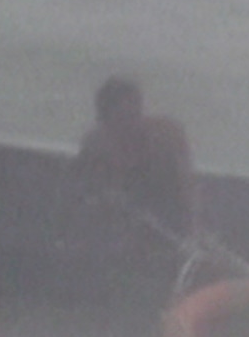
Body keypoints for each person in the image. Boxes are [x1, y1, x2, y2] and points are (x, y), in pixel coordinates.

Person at [62, 75, 200, 309]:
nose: (132, 123)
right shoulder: (96, 145)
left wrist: (192, 229)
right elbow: (85, 190)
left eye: (135, 113)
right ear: (105, 120)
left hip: (168, 207)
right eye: (122, 118)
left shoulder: (168, 134)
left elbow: (188, 186)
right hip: (125, 213)